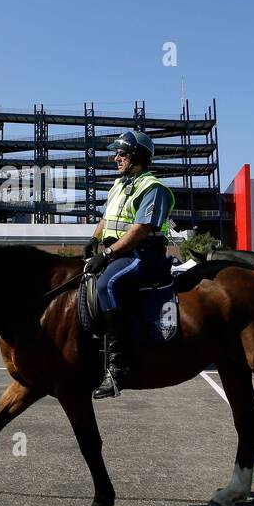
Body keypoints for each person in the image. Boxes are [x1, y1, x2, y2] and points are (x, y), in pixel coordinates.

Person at [83, 130, 175, 399]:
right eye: (117, 154)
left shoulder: (153, 188)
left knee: (106, 284)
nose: (116, 158)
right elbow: (106, 217)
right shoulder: (118, 185)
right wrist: (93, 239)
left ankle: (117, 368)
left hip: (143, 254)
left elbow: (140, 230)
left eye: (121, 154)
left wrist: (108, 253)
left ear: (137, 157)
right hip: (123, 253)